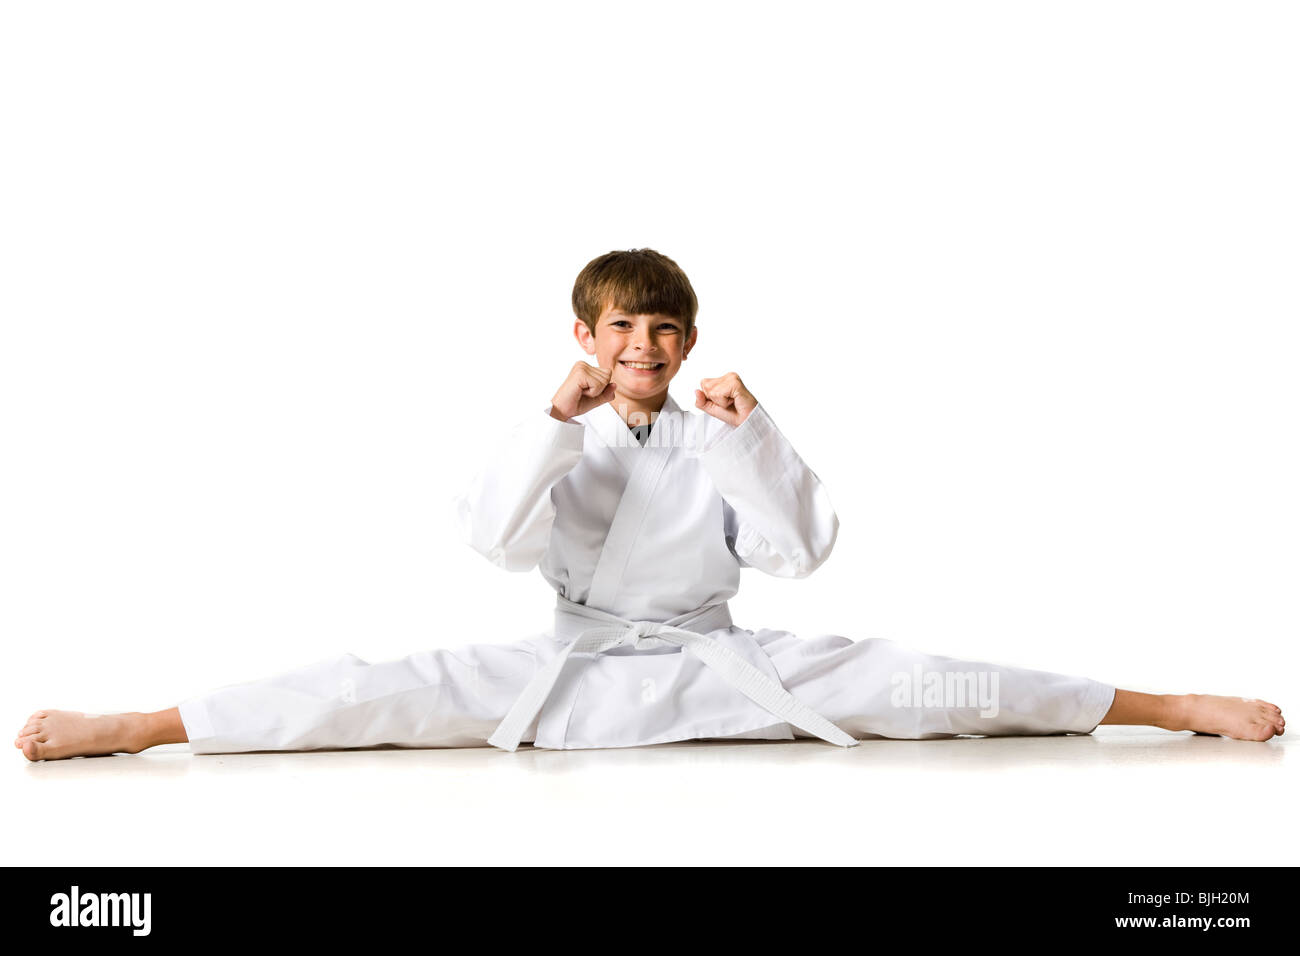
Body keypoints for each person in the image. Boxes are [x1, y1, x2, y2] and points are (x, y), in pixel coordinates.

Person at [14, 249, 1285, 760]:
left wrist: (752, 436)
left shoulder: (718, 427)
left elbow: (799, 557)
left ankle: (1168, 702)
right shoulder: (554, 429)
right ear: (585, 331)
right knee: (362, 684)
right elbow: (487, 541)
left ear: (686, 341)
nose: (643, 344)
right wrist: (549, 425)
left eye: (661, 329)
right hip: (561, 665)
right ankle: (139, 723)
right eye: (621, 325)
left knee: (935, 679)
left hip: (726, 663)